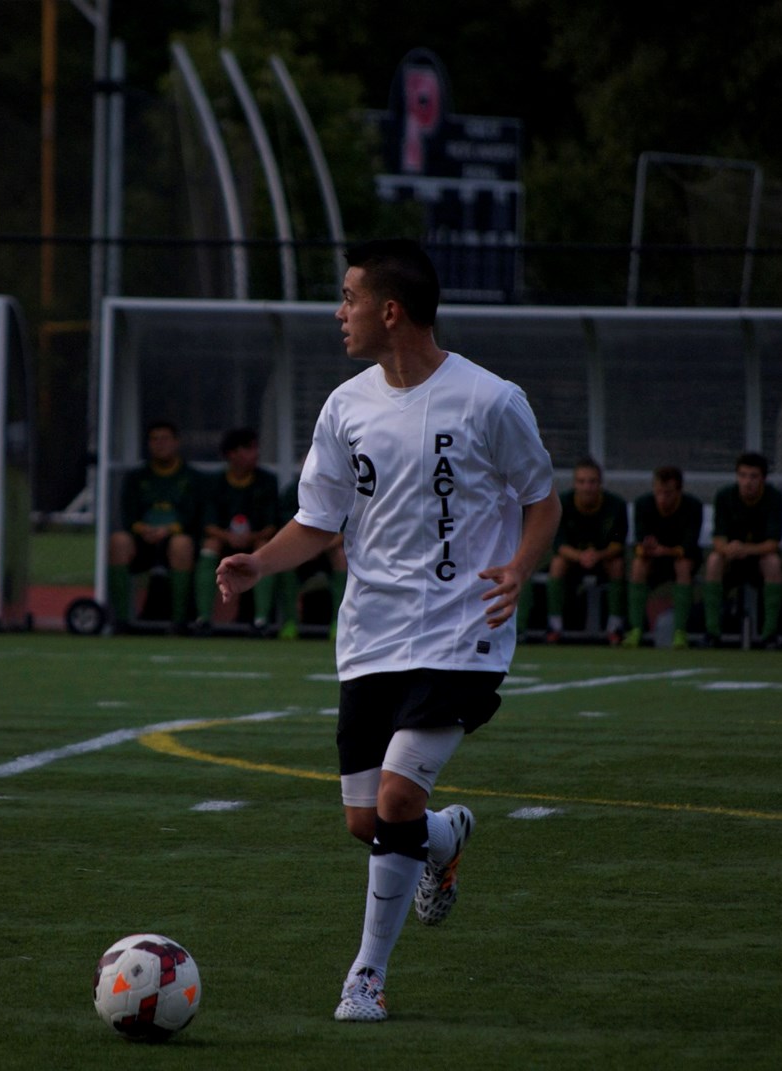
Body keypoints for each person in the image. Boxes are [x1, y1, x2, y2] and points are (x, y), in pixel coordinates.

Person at [215, 238, 560, 1024]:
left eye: (349, 297)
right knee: (368, 821)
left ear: (390, 310)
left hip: (459, 635)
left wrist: (520, 568)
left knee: (399, 796)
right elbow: (317, 519)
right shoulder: (346, 406)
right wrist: (258, 565)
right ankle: (447, 838)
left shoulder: (489, 399)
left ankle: (365, 977)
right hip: (369, 637)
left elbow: (542, 499)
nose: (340, 312)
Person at [107, 420, 201, 632]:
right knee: (118, 541)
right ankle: (122, 621)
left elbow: (193, 516)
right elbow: (129, 516)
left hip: (176, 541)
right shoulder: (136, 477)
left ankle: (179, 622)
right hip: (143, 542)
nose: (160, 444)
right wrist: (143, 529)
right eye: (154, 439)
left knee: (181, 544)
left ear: (176, 443)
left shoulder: (191, 477)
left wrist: (169, 530)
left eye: (165, 439)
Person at [193, 427, 280, 634]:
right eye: (249, 449)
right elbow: (208, 525)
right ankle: (203, 619)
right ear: (232, 454)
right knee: (209, 545)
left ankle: (261, 621)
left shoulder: (267, 481)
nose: (255, 454)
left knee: (265, 547)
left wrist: (250, 537)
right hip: (224, 542)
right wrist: (229, 538)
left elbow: (271, 526)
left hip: (255, 541)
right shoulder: (215, 483)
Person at [702, 452, 782, 647]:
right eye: (743, 475)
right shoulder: (724, 496)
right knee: (714, 560)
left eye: (753, 476)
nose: (747, 482)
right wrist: (729, 549)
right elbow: (718, 540)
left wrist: (745, 549)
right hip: (732, 561)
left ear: (763, 478)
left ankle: (770, 635)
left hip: (758, 560)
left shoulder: (773, 498)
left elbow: (773, 543)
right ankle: (712, 632)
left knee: (773, 562)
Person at [540, 456, 626, 644]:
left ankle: (615, 626)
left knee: (617, 564)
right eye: (582, 482)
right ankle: (554, 625)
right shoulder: (562, 503)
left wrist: (598, 555)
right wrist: (581, 556)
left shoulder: (616, 505)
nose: (587, 487)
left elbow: (618, 543)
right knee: (557, 563)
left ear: (600, 483)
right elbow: (559, 544)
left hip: (603, 561)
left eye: (592, 481)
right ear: (575, 483)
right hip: (573, 561)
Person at [622, 465, 704, 649]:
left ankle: (680, 632)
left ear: (679, 491)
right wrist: (646, 548)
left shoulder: (692, 506)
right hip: (655, 559)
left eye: (668, 493)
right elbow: (639, 542)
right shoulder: (644, 504)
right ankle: (636, 629)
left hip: (680, 558)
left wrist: (665, 551)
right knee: (638, 565)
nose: (662, 498)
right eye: (658, 492)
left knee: (682, 566)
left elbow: (690, 546)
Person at [273, 476, 347, 641]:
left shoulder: (342, 490)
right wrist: (305, 548)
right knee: (285, 558)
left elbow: (346, 531)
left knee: (341, 556)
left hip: (328, 550)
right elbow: (287, 528)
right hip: (301, 549)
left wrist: (318, 547)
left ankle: (339, 623)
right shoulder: (293, 492)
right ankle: (290, 622)